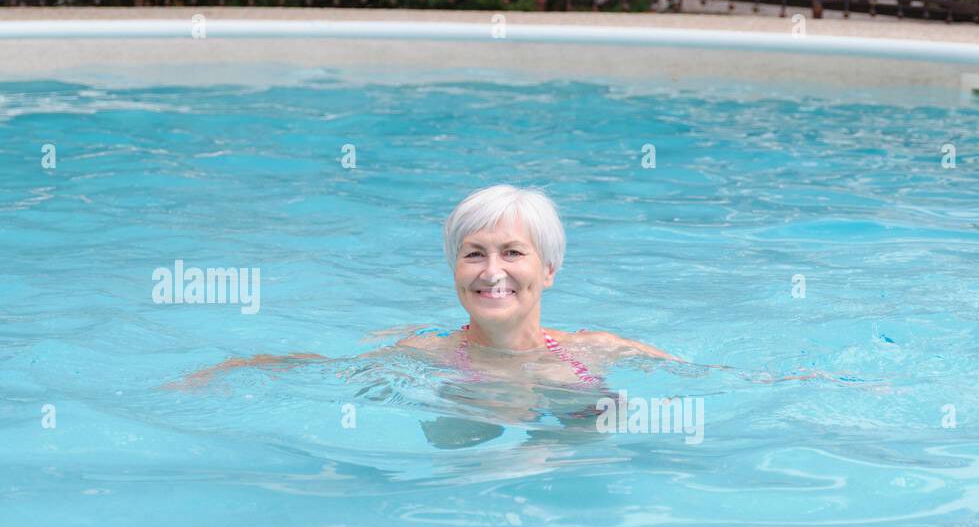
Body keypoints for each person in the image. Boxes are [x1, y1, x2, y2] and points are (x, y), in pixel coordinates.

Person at [169, 184, 678, 392]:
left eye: (513, 252)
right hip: (460, 489)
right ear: (455, 269)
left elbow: (715, 381)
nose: (492, 271)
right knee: (458, 434)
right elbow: (328, 373)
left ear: (548, 270)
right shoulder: (426, 355)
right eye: (474, 253)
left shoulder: (597, 351)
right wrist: (237, 369)